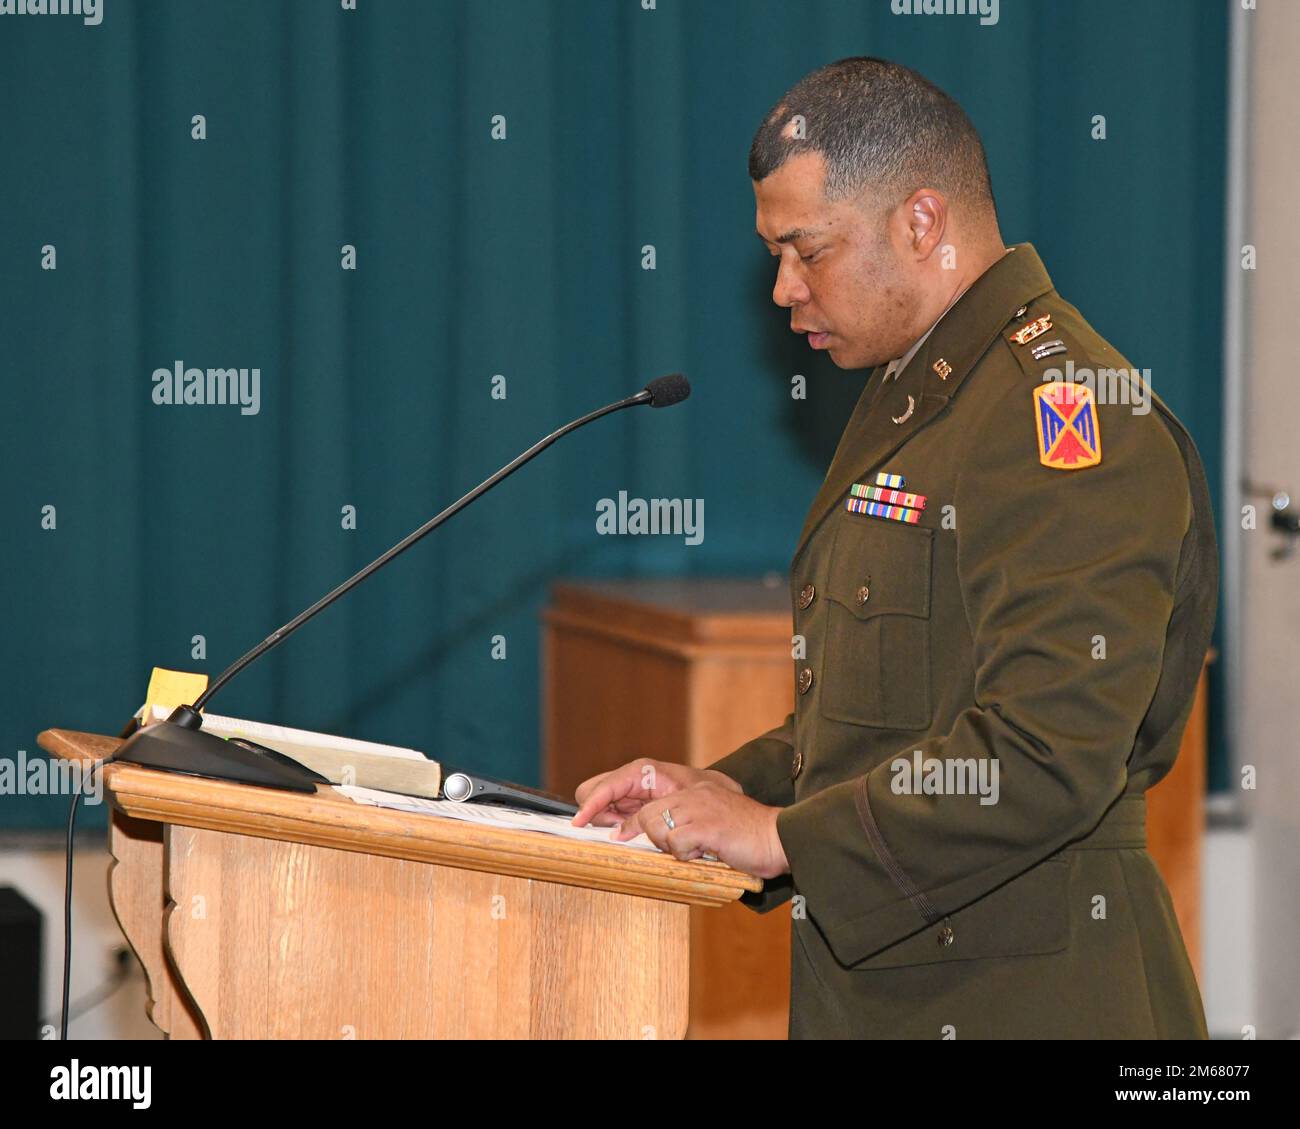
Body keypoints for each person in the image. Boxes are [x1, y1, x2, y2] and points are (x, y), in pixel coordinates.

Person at [571, 57, 1216, 1039]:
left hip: (1029, 995)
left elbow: (1046, 753)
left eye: (807, 250)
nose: (783, 289)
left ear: (920, 223)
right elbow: (893, 715)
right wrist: (728, 790)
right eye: (773, 255)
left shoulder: (1065, 413)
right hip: (896, 985)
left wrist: (780, 836)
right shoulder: (925, 397)